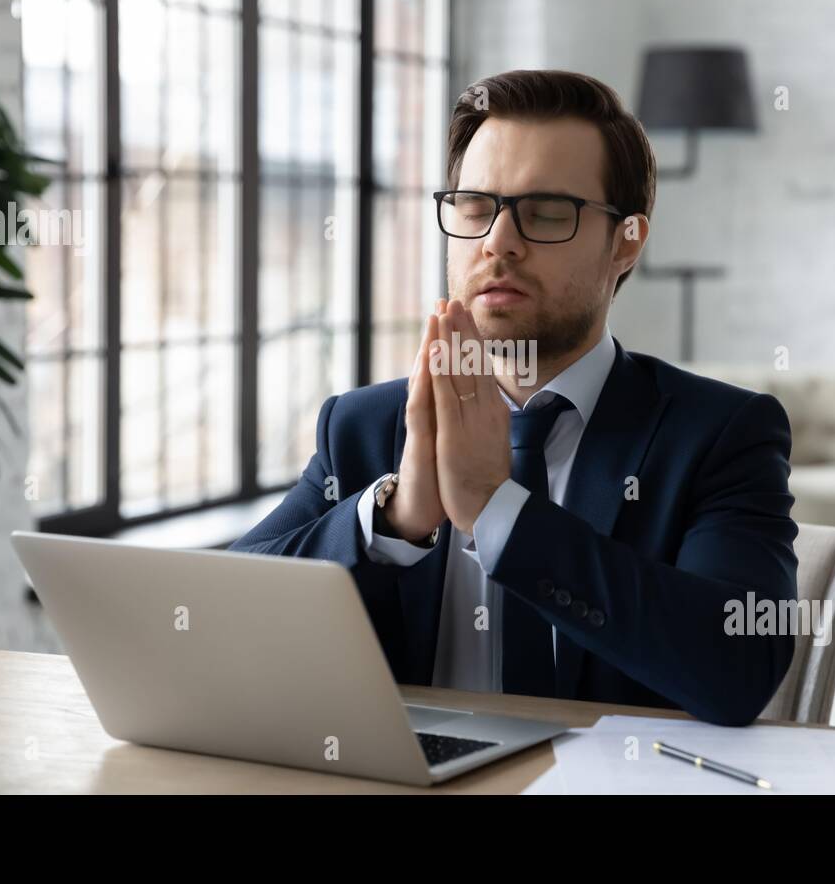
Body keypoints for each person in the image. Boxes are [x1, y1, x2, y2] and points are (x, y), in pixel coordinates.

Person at [231, 69, 798, 725]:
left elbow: (740, 667)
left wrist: (498, 510)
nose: (498, 241)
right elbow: (217, 613)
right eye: (475, 207)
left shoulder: (721, 434)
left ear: (626, 241)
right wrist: (396, 518)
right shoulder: (365, 426)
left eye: (547, 212)